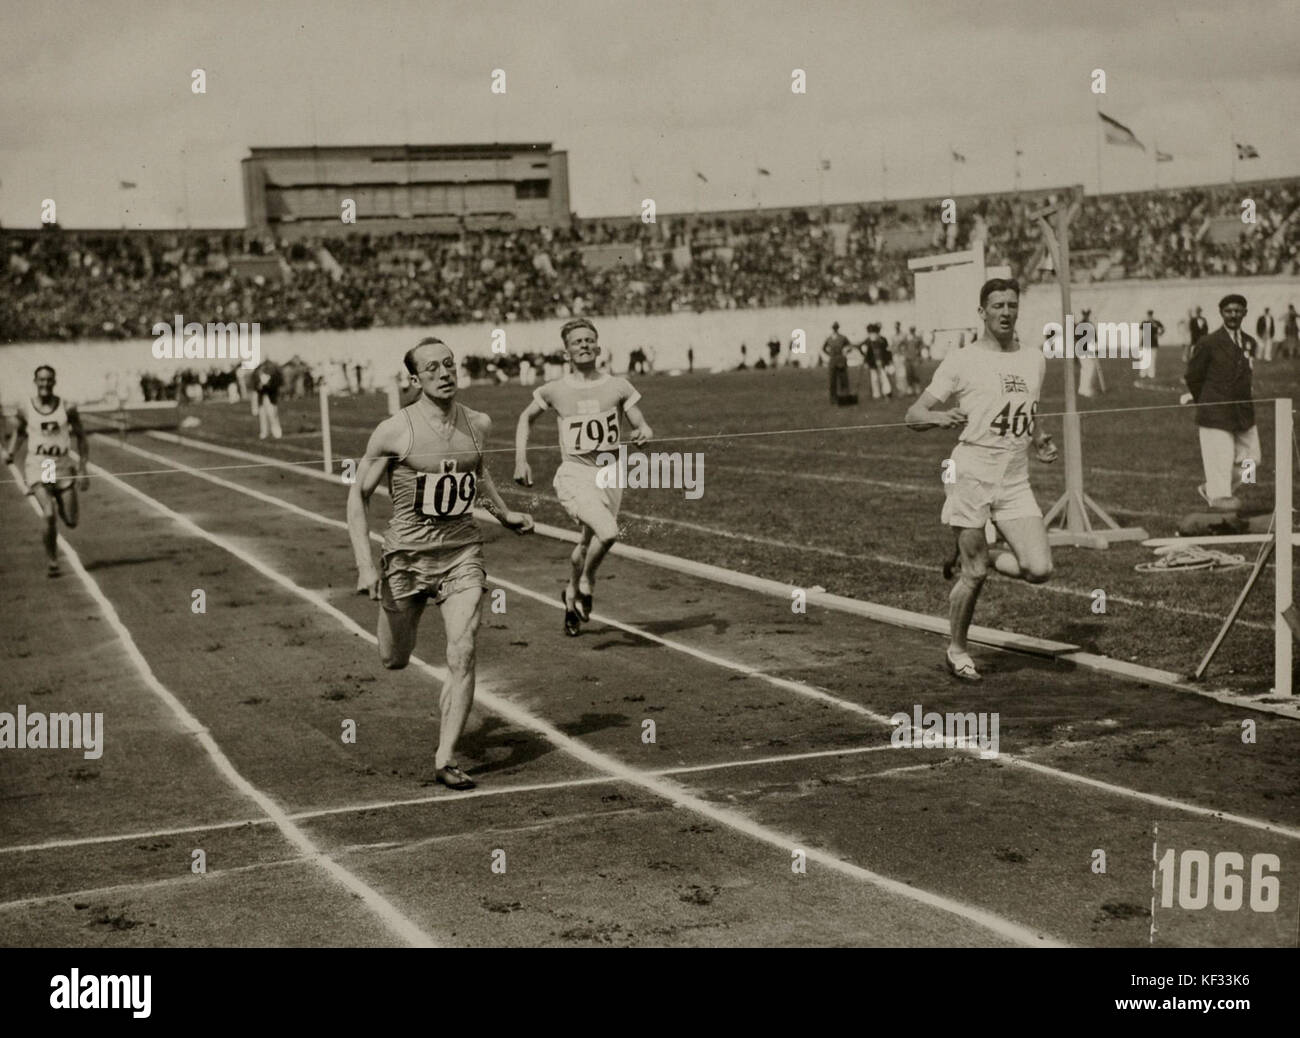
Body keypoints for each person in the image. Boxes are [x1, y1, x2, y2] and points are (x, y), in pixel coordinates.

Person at [348, 338, 534, 792]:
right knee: (393, 658)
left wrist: (503, 512)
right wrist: (365, 566)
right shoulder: (394, 430)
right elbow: (358, 495)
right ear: (415, 379)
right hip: (407, 559)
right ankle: (403, 636)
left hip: (461, 553)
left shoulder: (479, 423)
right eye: (432, 368)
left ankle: (445, 757)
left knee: (463, 649)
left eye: (449, 364)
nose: (444, 372)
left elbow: (475, 469)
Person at [904, 278, 1057, 682]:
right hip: (971, 473)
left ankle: (975, 550)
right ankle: (957, 649)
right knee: (976, 574)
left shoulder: (1033, 359)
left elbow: (1029, 408)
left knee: (1040, 569)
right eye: (997, 306)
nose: (1005, 312)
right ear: (982, 313)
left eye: (1011, 305)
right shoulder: (962, 361)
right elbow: (913, 414)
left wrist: (1038, 439)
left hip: (1014, 478)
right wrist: (940, 417)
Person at [513, 318, 652, 636]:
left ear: (598, 347)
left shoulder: (619, 385)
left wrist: (643, 432)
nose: (584, 345)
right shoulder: (555, 390)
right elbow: (525, 418)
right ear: (566, 352)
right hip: (575, 474)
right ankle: (587, 580)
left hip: (611, 475)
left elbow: (641, 424)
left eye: (589, 340)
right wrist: (521, 460)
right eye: (577, 341)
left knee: (588, 540)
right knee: (608, 532)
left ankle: (570, 595)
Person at [2, 365, 90, 577]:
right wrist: (12, 452)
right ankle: (52, 561)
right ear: (35, 382)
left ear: (54, 381)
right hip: (40, 465)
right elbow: (20, 432)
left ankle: (60, 499)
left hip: (61, 464)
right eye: (41, 380)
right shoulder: (26, 407)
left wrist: (82, 467)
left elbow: (81, 437)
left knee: (71, 520)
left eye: (49, 380)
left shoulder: (67, 407)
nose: (45, 384)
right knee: (48, 514)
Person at [1183, 294, 1259, 512]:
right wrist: (1206, 401)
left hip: (1243, 412)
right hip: (1215, 413)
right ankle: (1219, 503)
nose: (1233, 315)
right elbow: (1193, 376)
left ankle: (1211, 488)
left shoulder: (1249, 342)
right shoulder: (1208, 342)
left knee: (1253, 461)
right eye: (1228, 311)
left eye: (1237, 310)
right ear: (1221, 313)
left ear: (1244, 312)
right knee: (1221, 460)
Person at [822, 322, 852, 403]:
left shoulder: (843, 338)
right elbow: (823, 348)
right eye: (834, 328)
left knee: (843, 379)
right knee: (832, 380)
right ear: (832, 328)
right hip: (832, 361)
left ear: (838, 328)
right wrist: (830, 354)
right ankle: (833, 398)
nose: (835, 329)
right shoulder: (829, 338)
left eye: (836, 328)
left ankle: (844, 397)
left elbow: (850, 346)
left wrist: (845, 352)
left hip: (841, 360)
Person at [254, 358, 284, 440]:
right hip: (262, 398)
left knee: (273, 415)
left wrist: (265, 386)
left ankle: (276, 432)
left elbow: (274, 387)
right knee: (263, 416)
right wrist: (260, 386)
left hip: (270, 398)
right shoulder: (259, 376)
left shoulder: (273, 376)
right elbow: (256, 387)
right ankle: (264, 432)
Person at [1138, 310, 1164, 381]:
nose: (1149, 316)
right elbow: (1140, 332)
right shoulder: (1145, 322)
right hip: (1145, 343)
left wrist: (1159, 334)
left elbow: (1162, 329)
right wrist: (1140, 343)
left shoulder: (1156, 322)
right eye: (1148, 315)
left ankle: (1151, 374)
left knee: (1152, 359)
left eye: (1150, 315)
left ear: (1152, 315)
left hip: (1153, 344)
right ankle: (1143, 374)